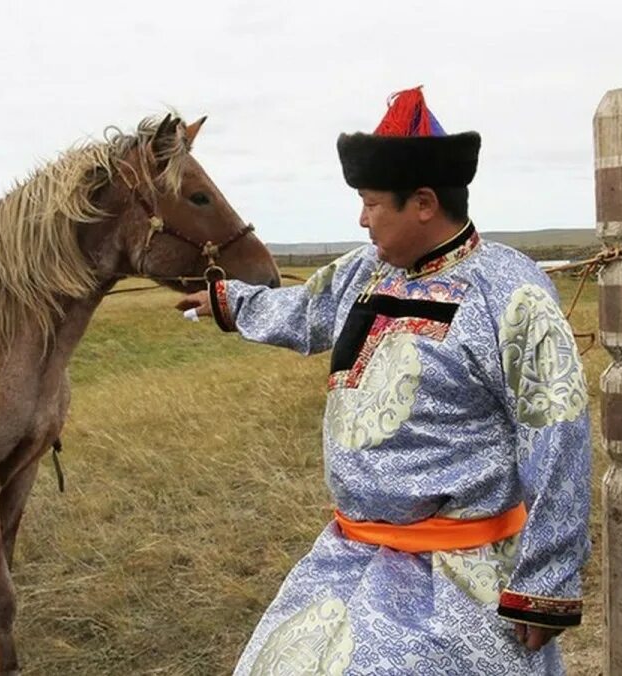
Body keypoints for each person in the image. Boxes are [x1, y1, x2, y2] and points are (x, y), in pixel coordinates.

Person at [176, 87, 591, 675]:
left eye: (372, 203)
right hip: (349, 554)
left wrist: (547, 579)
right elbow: (306, 311)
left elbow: (558, 431)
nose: (361, 218)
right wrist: (231, 302)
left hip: (459, 577)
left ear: (422, 202)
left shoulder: (512, 293)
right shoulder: (365, 272)